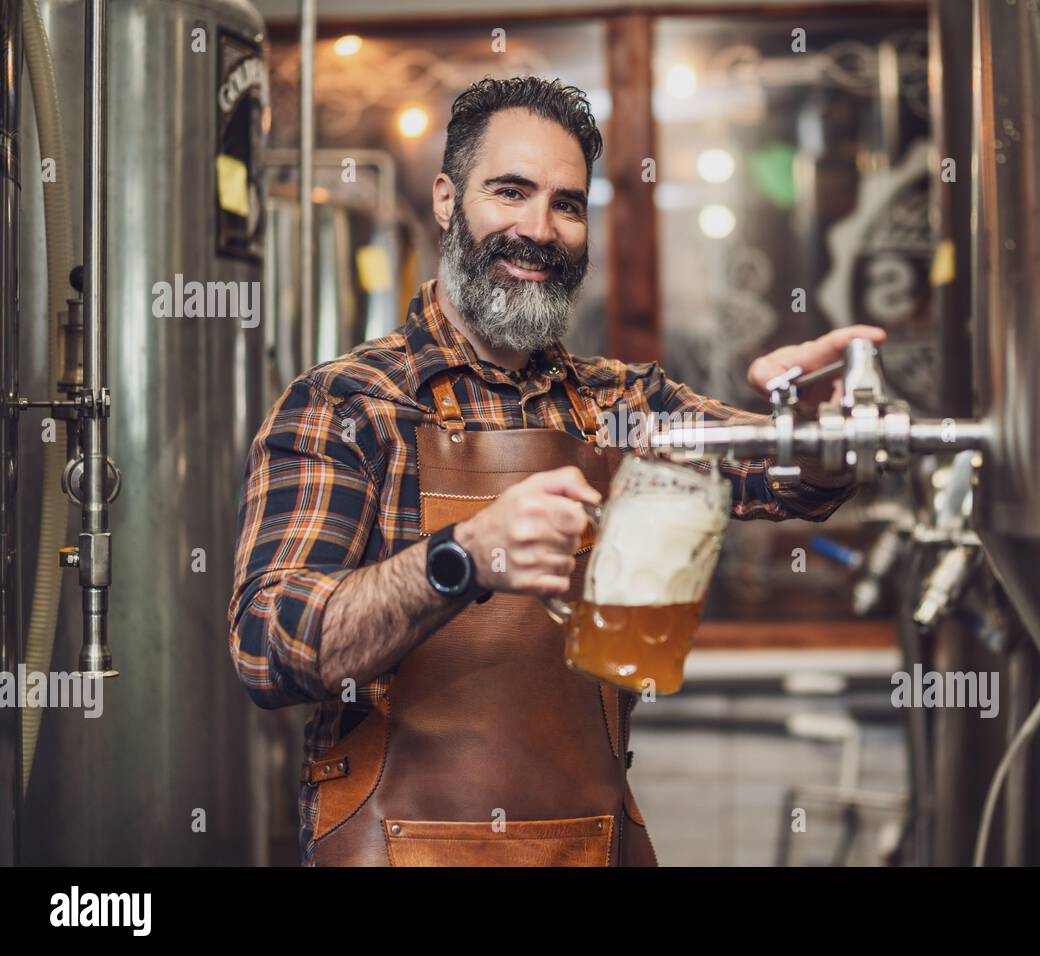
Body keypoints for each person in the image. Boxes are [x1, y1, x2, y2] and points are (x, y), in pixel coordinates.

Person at [227, 75, 883, 866]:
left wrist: (815, 425)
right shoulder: (348, 403)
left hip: (590, 846)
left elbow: (788, 480)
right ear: (447, 201)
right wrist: (459, 560)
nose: (538, 230)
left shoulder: (622, 405)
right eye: (510, 191)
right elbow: (266, 646)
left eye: (567, 204)